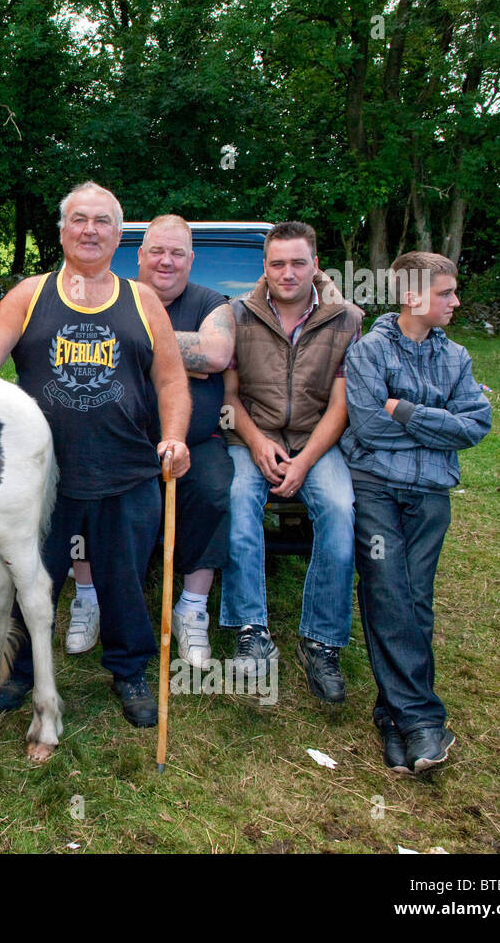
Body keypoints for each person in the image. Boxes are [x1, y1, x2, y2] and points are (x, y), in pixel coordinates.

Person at [0, 182, 191, 728]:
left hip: (126, 471)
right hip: (40, 476)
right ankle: (17, 670)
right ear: (61, 231)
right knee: (27, 574)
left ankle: (130, 669)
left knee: (125, 580)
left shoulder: (142, 300)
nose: (89, 230)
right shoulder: (31, 293)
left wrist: (173, 437)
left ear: (118, 234)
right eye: (78, 219)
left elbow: (172, 379)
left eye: (102, 221)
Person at [341, 251, 490, 772]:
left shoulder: (458, 359)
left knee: (415, 599)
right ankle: (423, 721)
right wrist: (437, 425)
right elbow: (368, 428)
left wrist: (404, 409)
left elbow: (474, 426)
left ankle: (392, 715)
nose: (455, 301)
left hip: (430, 494)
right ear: (412, 296)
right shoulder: (368, 354)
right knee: (387, 590)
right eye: (446, 292)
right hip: (378, 489)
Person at [66, 216, 235, 665]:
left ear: (190, 259)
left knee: (216, 491)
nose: (166, 261)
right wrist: (183, 353)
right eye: (157, 251)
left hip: (194, 442)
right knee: (84, 486)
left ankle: (191, 608)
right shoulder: (110, 293)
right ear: (138, 255)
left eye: (177, 253)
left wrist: (136, 345)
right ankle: (88, 597)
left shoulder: (210, 301)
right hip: (115, 439)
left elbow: (217, 353)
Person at [221, 221, 362, 703]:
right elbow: (229, 396)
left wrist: (303, 462)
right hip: (248, 437)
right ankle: (249, 629)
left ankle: (320, 641)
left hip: (316, 440)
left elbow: (342, 406)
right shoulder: (236, 314)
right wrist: (257, 443)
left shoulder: (347, 319)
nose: (287, 273)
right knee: (239, 500)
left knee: (341, 511)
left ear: (316, 265)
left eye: (298, 262)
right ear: (264, 267)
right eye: (277, 263)